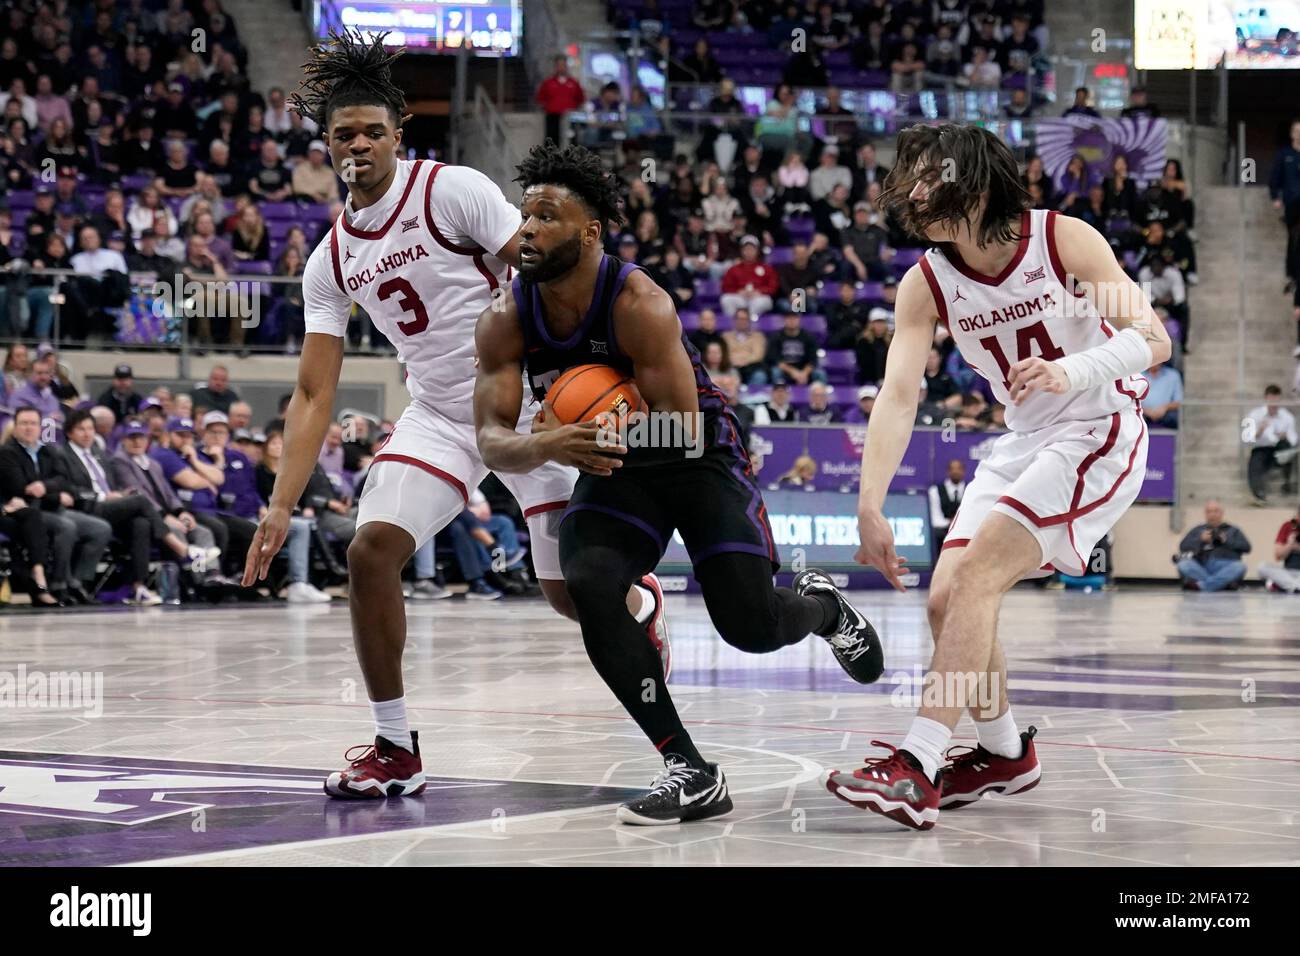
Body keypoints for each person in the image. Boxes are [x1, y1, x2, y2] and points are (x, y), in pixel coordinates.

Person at [241, 32, 667, 800]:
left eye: (373, 130)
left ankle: (640, 601)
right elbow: (312, 393)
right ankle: (394, 745)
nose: (360, 143)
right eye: (345, 134)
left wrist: (597, 369)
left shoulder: (450, 190)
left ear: (398, 134)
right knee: (370, 552)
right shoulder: (329, 260)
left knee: (572, 595)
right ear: (328, 146)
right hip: (440, 412)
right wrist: (280, 502)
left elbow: (548, 274)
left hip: (530, 402)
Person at [474, 141, 884, 825]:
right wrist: (549, 441)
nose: (528, 231)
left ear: (591, 232)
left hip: (696, 458)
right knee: (591, 584)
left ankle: (825, 610)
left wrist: (599, 425)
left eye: (546, 217)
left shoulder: (640, 302)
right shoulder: (505, 318)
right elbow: (490, 438)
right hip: (611, 469)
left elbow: (681, 429)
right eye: (524, 217)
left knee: (750, 628)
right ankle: (688, 767)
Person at [832, 124, 1170, 831]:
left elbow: (1152, 340)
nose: (914, 193)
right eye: (911, 179)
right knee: (944, 600)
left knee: (978, 577)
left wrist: (1069, 370)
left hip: (1097, 428)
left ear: (975, 185)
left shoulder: (1062, 241)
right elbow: (899, 396)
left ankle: (917, 763)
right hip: (1024, 441)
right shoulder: (924, 284)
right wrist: (869, 503)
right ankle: (1004, 752)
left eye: (930, 178)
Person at [57, 408, 206, 605]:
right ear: (69, 432)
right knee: (141, 500)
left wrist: (120, 494)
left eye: (90, 428)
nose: (87, 434)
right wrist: (102, 495)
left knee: (141, 523)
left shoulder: (98, 454)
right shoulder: (62, 455)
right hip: (87, 506)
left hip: (109, 506)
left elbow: (112, 484)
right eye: (80, 429)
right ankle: (181, 549)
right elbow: (68, 488)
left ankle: (138, 587)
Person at [1176, 500, 1251, 591]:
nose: (1212, 514)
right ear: (1205, 514)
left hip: (1225, 565)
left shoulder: (1233, 530)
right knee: (1183, 564)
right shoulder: (1198, 530)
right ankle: (1221, 584)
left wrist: (1226, 540)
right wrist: (1200, 539)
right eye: (1209, 512)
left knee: (1240, 567)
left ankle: (1202, 586)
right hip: (1202, 566)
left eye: (1216, 511)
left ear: (1222, 513)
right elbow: (1182, 546)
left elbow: (1247, 547)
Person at [1245, 384, 1297, 504]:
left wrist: (1285, 436)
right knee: (1255, 462)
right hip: (1262, 449)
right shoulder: (1254, 414)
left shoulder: (1287, 417)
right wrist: (1258, 432)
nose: (1274, 404)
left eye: (1277, 400)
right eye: (1271, 400)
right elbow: (1246, 439)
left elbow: (1294, 439)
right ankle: (1259, 494)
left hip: (1280, 449)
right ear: (1266, 398)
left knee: (1288, 448)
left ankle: (1287, 484)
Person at [927, 458, 966, 555]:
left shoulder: (971, 490)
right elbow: (936, 518)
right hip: (943, 531)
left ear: (963, 471)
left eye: (958, 469)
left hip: (965, 529)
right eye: (953, 469)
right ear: (948, 471)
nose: (955, 472)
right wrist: (950, 524)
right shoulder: (935, 490)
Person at [1259, 504, 1300, 593]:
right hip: (1287, 572)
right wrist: (1290, 545)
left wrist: (1297, 548)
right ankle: (1294, 586)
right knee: (1262, 567)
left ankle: (1285, 586)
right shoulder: (1288, 526)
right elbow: (1278, 556)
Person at [1141, 360, 1182, 428]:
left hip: (1167, 415)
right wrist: (1145, 410)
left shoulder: (1173, 375)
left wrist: (1165, 407)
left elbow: (1179, 401)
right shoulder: (1138, 375)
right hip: (1142, 413)